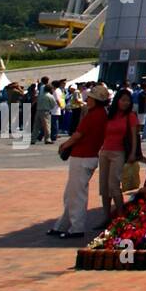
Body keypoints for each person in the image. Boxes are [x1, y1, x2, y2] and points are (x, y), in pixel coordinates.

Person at [50, 84, 111, 239]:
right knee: (72, 192)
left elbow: (78, 135)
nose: (87, 99)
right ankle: (63, 224)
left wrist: (64, 145)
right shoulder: (103, 114)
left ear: (96, 100)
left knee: (76, 194)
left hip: (82, 156)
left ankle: (76, 227)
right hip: (88, 156)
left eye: (90, 97)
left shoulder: (93, 115)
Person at [98, 88, 140, 224]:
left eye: (128, 100)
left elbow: (134, 137)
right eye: (123, 100)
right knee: (104, 187)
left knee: (114, 185)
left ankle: (120, 216)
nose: (125, 103)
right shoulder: (110, 115)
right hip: (105, 152)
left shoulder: (130, 116)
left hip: (119, 153)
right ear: (117, 101)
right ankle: (106, 217)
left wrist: (133, 153)